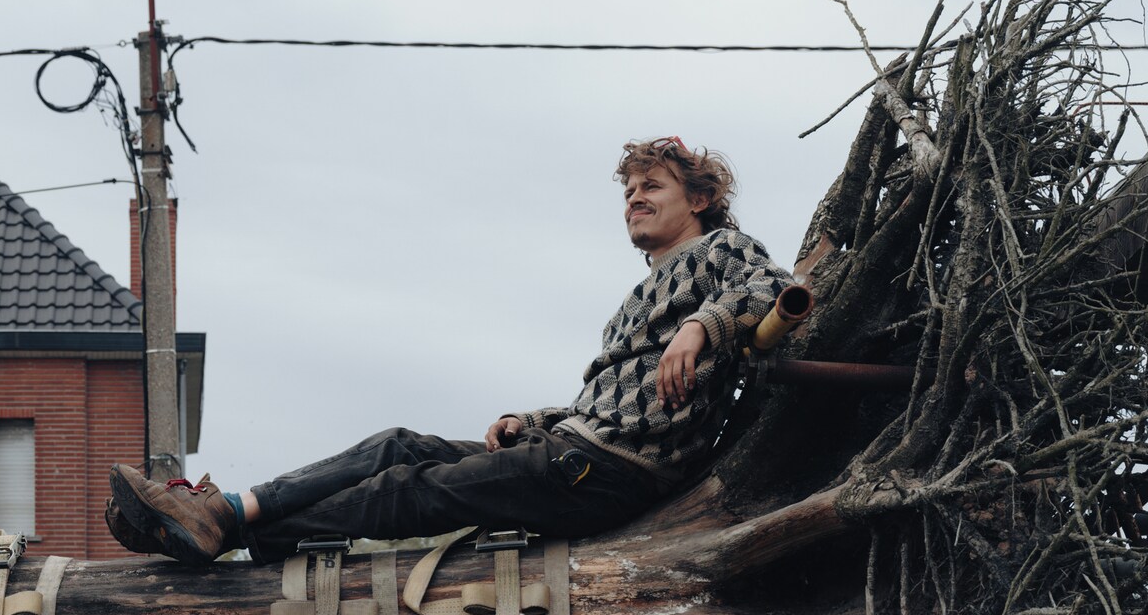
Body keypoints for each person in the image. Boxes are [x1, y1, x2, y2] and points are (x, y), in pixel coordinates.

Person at [105, 137, 793, 564]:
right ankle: (226, 512)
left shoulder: (720, 250)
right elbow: (606, 403)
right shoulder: (639, 297)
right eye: (630, 190)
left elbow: (778, 287)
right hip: (575, 448)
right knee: (397, 446)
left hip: (614, 472)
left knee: (409, 491)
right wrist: (532, 420)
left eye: (652, 187)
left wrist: (704, 326)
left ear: (700, 198)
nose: (634, 199)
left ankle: (218, 527)